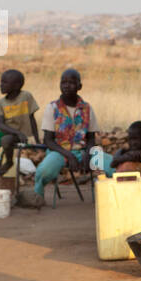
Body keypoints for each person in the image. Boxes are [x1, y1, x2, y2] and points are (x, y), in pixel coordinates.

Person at [33, 68, 98, 198]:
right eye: (63, 82)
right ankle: (37, 197)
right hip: (59, 151)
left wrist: (89, 154)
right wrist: (69, 155)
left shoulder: (87, 108)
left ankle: (114, 198)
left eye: (71, 82)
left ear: (79, 86)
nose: (66, 86)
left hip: (83, 151)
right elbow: (48, 140)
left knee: (110, 165)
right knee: (43, 171)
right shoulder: (53, 108)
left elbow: (91, 138)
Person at [0, 69, 39, 173]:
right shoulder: (0, 103)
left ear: (17, 86)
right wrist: (18, 133)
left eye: (4, 82)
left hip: (20, 134)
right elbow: (1, 125)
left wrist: (37, 140)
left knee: (6, 140)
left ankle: (9, 161)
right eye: (1, 82)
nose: (0, 85)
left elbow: (32, 118)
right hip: (5, 131)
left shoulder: (26, 96)